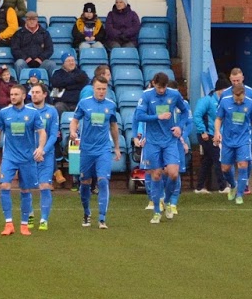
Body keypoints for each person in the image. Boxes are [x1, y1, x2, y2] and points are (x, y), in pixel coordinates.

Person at [133, 72, 191, 224]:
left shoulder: (174, 94)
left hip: (170, 140)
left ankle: (168, 200)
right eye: (159, 87)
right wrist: (157, 117)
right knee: (156, 175)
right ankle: (157, 212)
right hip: (152, 141)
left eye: (163, 88)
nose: (161, 91)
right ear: (153, 83)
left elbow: (185, 112)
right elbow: (139, 115)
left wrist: (179, 127)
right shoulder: (146, 96)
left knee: (173, 173)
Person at [70, 76, 123, 228]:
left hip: (103, 149)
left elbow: (113, 126)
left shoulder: (111, 105)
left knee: (103, 180)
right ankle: (86, 213)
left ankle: (102, 218)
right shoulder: (84, 103)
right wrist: (73, 131)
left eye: (104, 89)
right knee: (85, 182)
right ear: (93, 88)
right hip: (86, 149)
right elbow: (75, 120)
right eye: (99, 89)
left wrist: (117, 147)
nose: (101, 92)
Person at [0, 81, 43, 236]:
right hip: (9, 157)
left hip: (27, 158)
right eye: (11, 95)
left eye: (15, 94)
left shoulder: (33, 113)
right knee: (5, 185)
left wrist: (40, 148)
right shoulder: (4, 113)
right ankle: (8, 224)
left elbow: (42, 132)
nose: (12, 97)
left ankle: (24, 225)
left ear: (23, 96)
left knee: (25, 189)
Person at [215, 83, 252, 205]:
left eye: (241, 99)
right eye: (236, 99)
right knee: (225, 168)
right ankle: (233, 185)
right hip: (228, 140)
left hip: (244, 140)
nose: (239, 101)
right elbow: (219, 119)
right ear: (232, 95)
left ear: (244, 95)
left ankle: (240, 195)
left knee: (242, 165)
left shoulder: (251, 103)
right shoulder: (225, 102)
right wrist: (216, 133)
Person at [25, 81, 61, 229]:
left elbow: (53, 135)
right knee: (25, 187)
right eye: (32, 92)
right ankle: (30, 214)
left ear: (45, 94)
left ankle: (44, 219)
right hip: (28, 155)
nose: (34, 95)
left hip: (46, 155)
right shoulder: (25, 110)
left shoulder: (52, 111)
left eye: (37, 92)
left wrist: (43, 150)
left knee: (45, 185)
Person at [192, 87, 224, 195]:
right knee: (217, 157)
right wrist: (202, 131)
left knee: (208, 160)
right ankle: (223, 186)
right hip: (206, 135)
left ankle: (199, 187)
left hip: (214, 134)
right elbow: (197, 115)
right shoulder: (207, 100)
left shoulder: (221, 100)